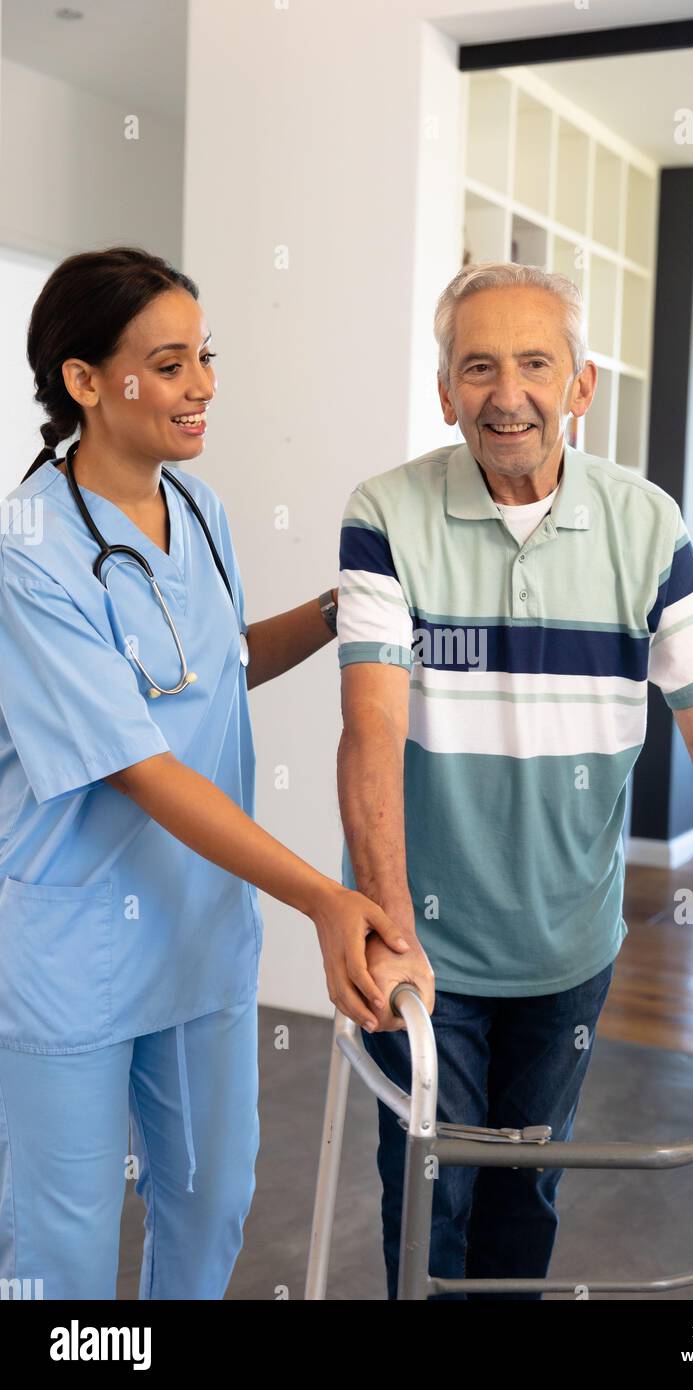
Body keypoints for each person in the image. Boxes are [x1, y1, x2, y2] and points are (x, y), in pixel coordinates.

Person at [335, 261, 693, 1300]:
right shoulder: (386, 512)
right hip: (424, 941)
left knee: (527, 1186)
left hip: (568, 946)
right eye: (476, 367)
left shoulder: (645, 525)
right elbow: (369, 729)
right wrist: (383, 914)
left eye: (532, 364)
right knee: (429, 1192)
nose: (504, 394)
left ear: (580, 386)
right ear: (444, 392)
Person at [0, 246, 410, 1301]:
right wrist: (323, 894)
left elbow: (212, 664)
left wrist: (338, 609)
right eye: (169, 363)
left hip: (197, 927)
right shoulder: (26, 549)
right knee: (67, 1247)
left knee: (212, 1198)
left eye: (205, 358)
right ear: (86, 381)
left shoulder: (202, 513)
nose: (202, 388)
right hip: (72, 945)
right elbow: (136, 761)